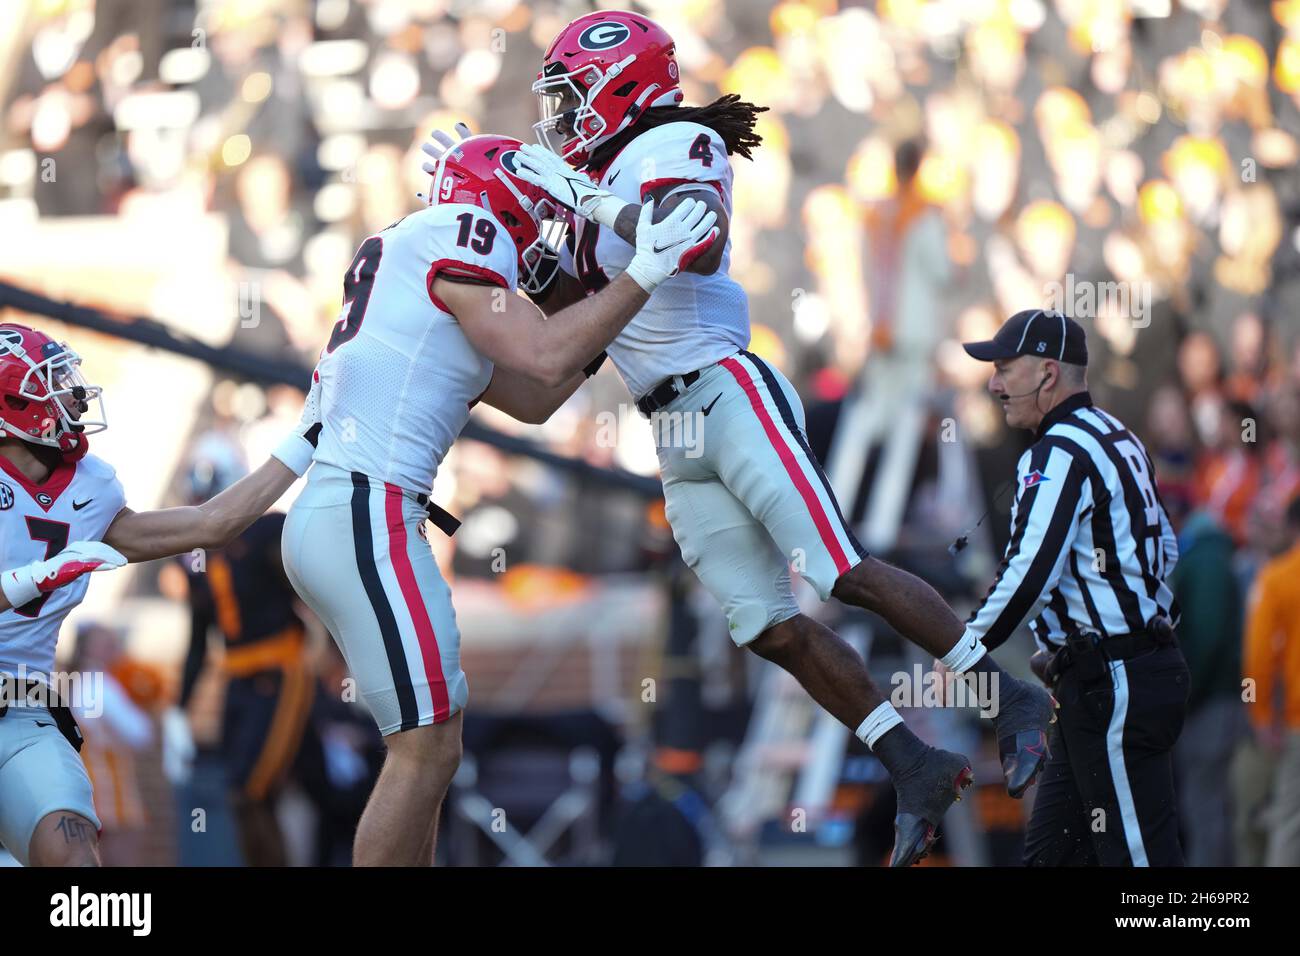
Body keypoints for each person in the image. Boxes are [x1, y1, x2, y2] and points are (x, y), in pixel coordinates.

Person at [427, 8, 1056, 866]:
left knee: (837, 570)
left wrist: (578, 196)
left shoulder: (679, 144)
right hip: (671, 433)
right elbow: (555, 333)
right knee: (765, 626)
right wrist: (475, 211)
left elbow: (692, 238)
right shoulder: (595, 191)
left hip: (728, 393)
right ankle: (911, 760)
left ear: (622, 90)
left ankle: (1010, 697)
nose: (563, 121)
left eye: (575, 100)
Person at [280, 133, 720, 867]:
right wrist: (640, 273)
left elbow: (534, 396)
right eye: (533, 212)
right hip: (367, 510)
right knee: (422, 750)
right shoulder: (464, 231)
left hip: (357, 510)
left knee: (432, 746)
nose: (538, 237)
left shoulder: (424, 265)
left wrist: (614, 316)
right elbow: (545, 354)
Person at [0, 322, 319, 866]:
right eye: (49, 381)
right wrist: (38, 576)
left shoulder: (90, 489)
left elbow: (211, 524)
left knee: (77, 866)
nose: (70, 393)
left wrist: (306, 438)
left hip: (21, 709)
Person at [961, 309, 1189, 866]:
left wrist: (963, 648)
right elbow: (1166, 550)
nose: (993, 383)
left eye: (1004, 368)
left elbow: (1030, 573)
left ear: (1046, 373)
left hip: (1113, 679)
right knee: (1052, 858)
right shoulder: (1119, 436)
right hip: (1115, 674)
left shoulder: (1058, 451)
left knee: (1141, 862)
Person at [1241, 494, 1300, 865]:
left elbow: (1258, 659)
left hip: (1296, 721)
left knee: (1290, 822)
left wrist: (1260, 716)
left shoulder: (1276, 578)